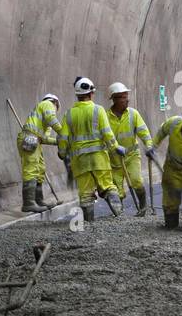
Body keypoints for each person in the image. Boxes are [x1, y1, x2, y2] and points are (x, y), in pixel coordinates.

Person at [60, 77, 122, 222]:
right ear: (91, 93)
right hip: (99, 159)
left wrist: (62, 153)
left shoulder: (69, 114)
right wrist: (115, 147)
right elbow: (107, 133)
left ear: (77, 94)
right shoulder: (98, 110)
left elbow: (62, 138)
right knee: (108, 186)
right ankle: (119, 216)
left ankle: (89, 224)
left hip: (80, 162)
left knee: (86, 194)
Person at [106, 82, 153, 214]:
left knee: (137, 181)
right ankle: (119, 213)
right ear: (114, 99)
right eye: (122, 97)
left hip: (132, 156)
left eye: (127, 96)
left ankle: (143, 206)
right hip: (114, 158)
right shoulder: (105, 116)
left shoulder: (133, 114)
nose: (127, 99)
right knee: (117, 188)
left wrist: (149, 146)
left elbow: (144, 132)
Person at [18, 93, 65, 213]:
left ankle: (38, 200)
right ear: (56, 103)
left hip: (35, 140)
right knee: (31, 169)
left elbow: (44, 138)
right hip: (30, 137)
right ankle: (28, 203)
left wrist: (58, 142)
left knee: (39, 169)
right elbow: (52, 119)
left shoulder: (44, 120)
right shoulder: (47, 104)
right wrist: (64, 133)